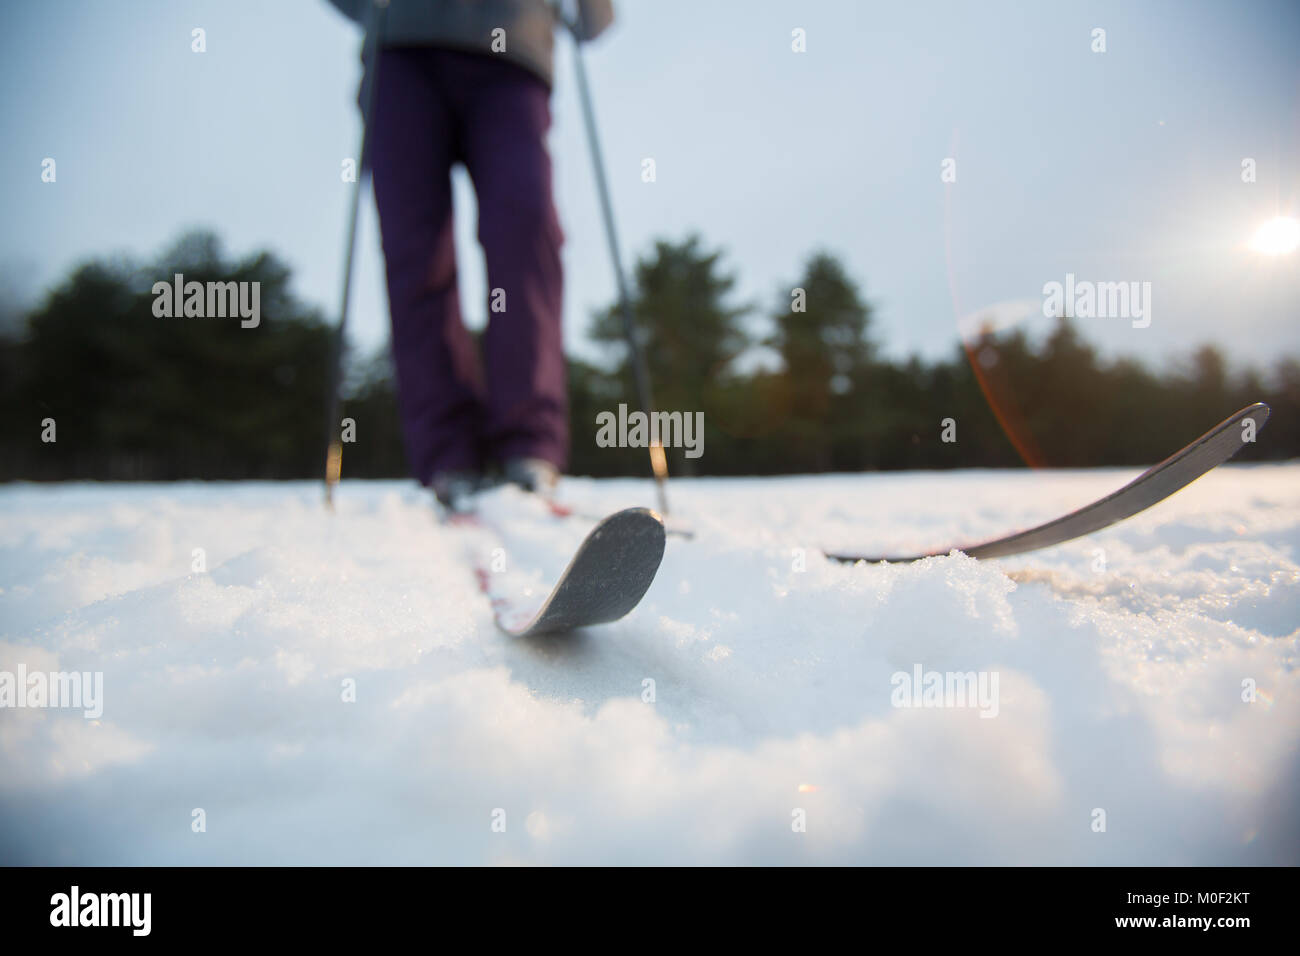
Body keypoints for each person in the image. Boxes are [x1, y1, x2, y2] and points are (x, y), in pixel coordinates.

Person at [325, 0, 614, 511]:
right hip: (402, 46)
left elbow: (596, 20)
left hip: (513, 51)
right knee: (416, 248)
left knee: (525, 230)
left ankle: (528, 446)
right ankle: (447, 455)